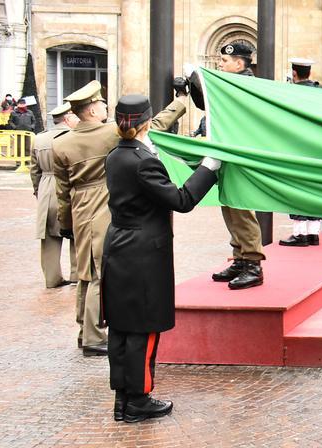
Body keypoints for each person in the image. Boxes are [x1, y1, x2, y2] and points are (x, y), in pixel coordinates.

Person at [102, 94, 222, 423]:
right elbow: (181, 200)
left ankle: (123, 398)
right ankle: (139, 399)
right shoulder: (143, 160)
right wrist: (208, 169)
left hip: (119, 245)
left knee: (122, 327)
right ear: (146, 122)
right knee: (144, 327)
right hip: (143, 252)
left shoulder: (116, 155)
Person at [53, 81, 189, 357]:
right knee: (99, 274)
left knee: (85, 272)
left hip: (79, 208)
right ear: (91, 110)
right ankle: (93, 336)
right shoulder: (109, 135)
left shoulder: (62, 142)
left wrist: (66, 223)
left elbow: (62, 192)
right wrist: (181, 102)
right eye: (101, 103)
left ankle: (84, 328)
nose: (105, 107)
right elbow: (153, 126)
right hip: (102, 203)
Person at [209, 41, 267, 289]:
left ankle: (253, 264)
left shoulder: (249, 87)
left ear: (239, 63)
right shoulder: (230, 84)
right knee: (230, 206)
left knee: (242, 209)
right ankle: (240, 259)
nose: (220, 65)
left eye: (224, 61)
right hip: (229, 152)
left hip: (243, 154)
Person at [278, 58, 322, 248]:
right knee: (314, 188)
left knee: (297, 189)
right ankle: (314, 233)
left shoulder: (292, 93)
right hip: (318, 149)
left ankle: (300, 234)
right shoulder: (321, 93)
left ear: (295, 73)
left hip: (297, 147)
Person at [32, 102, 78, 288]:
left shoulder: (39, 139)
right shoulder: (73, 138)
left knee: (49, 237)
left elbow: (34, 171)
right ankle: (76, 275)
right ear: (67, 118)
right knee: (77, 234)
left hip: (46, 187)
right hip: (68, 186)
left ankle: (52, 278)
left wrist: (39, 192)